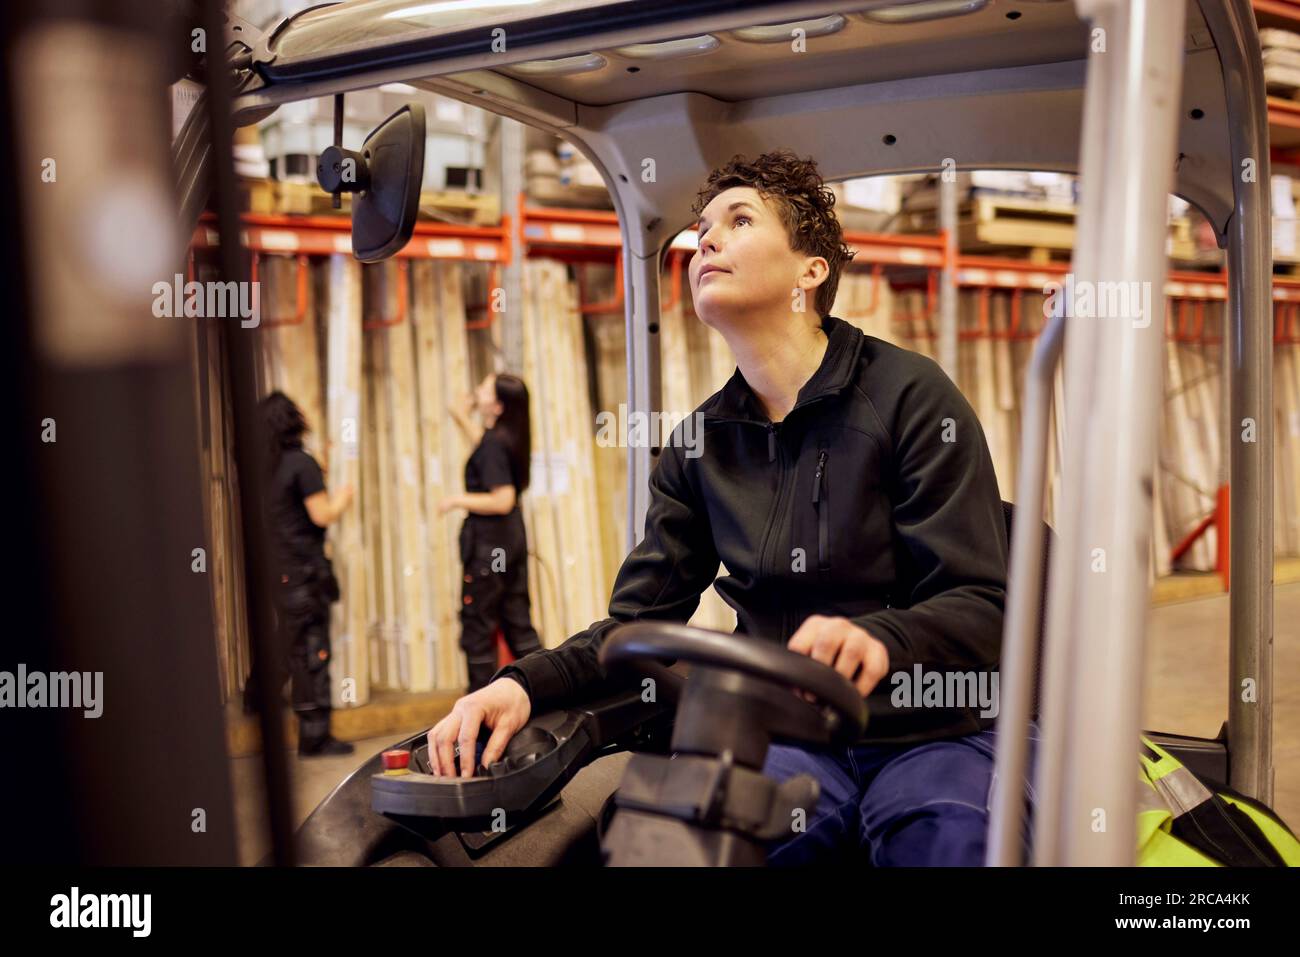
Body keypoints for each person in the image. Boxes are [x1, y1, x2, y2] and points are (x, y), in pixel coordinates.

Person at [426, 150, 1037, 865]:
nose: (704, 240)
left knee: (950, 839)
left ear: (811, 271)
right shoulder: (698, 447)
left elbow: (983, 603)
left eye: (737, 220)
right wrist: (521, 683)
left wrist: (884, 640)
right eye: (701, 227)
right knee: (674, 847)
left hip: (934, 729)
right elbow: (636, 625)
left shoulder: (911, 398)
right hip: (786, 734)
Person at [251, 391, 356, 757]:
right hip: (305, 570)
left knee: (290, 640)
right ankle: (315, 736)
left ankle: (256, 695)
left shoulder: (266, 467)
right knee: (312, 651)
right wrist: (343, 497)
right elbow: (321, 514)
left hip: (279, 569)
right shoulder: (301, 464)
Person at [438, 373, 543, 694]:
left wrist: (456, 500)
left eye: (485, 387)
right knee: (517, 622)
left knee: (478, 626)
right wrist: (459, 414)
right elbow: (482, 448)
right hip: (508, 541)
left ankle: (479, 709)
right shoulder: (502, 437)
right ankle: (545, 694)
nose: (478, 388)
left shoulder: (495, 443)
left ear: (497, 406)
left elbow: (502, 499)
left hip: (489, 548)